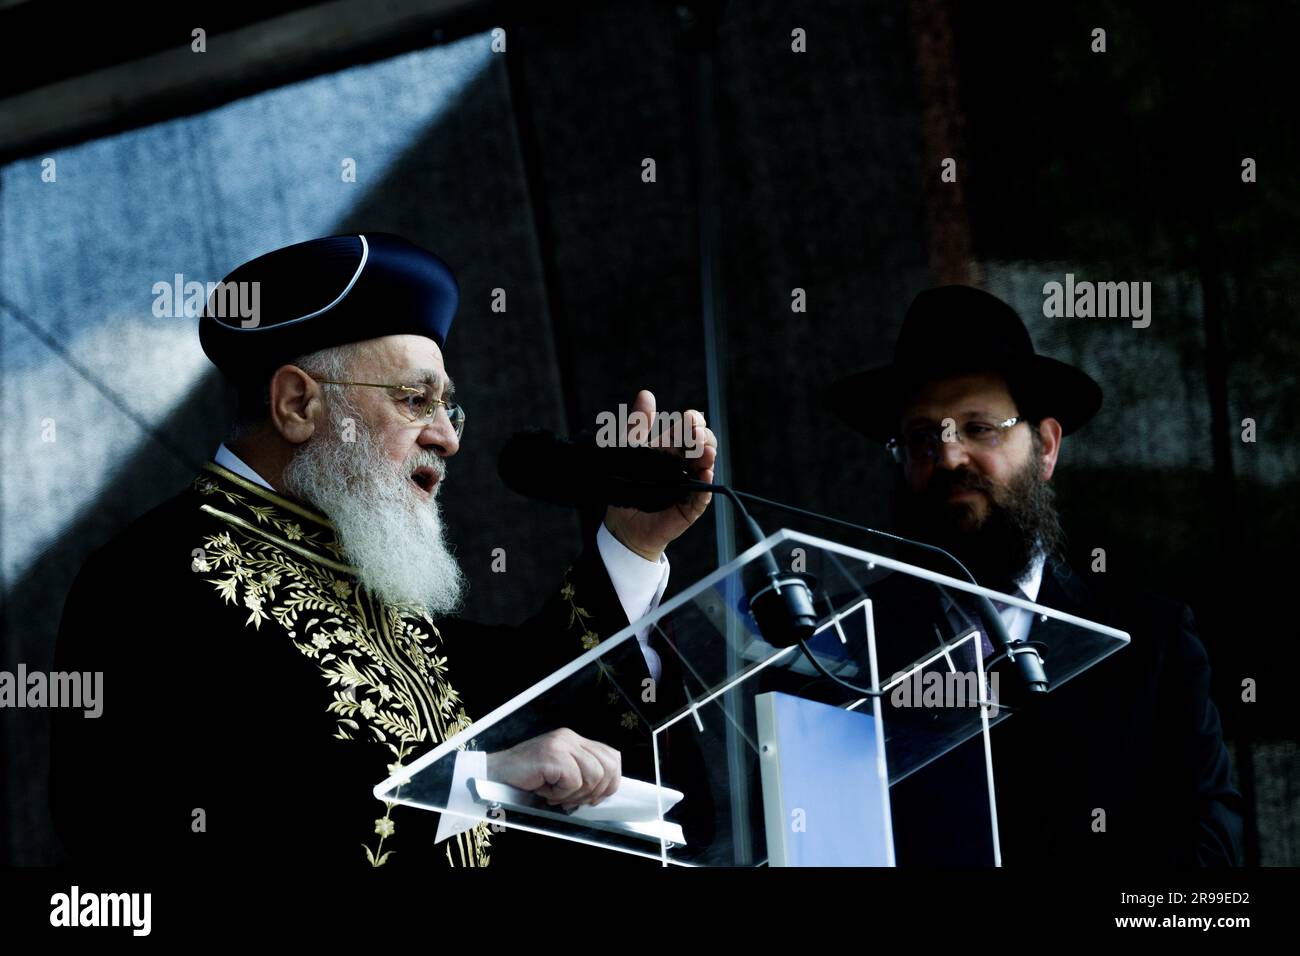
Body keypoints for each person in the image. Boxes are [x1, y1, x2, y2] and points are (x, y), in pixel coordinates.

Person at [49, 233, 716, 869]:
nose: (447, 438)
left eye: (449, 407)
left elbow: (528, 690)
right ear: (296, 405)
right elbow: (154, 829)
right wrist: (471, 785)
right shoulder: (147, 581)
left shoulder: (373, 576)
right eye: (414, 400)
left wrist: (631, 543)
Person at [824, 284, 1243, 866]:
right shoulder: (842, 649)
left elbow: (1211, 854)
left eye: (979, 428)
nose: (948, 458)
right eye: (923, 438)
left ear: (1045, 448)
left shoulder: (1150, 642)